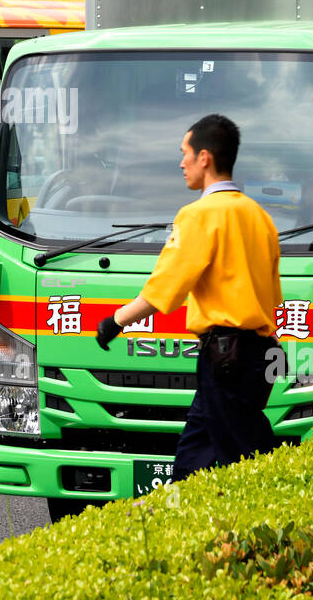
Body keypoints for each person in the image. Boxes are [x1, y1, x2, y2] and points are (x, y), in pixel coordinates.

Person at [95, 113, 282, 482]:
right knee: (193, 458)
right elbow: (272, 295)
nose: (181, 162)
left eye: (185, 153)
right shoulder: (260, 216)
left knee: (247, 461)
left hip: (226, 357)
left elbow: (165, 288)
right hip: (260, 354)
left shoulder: (198, 215)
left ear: (204, 157)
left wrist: (115, 321)